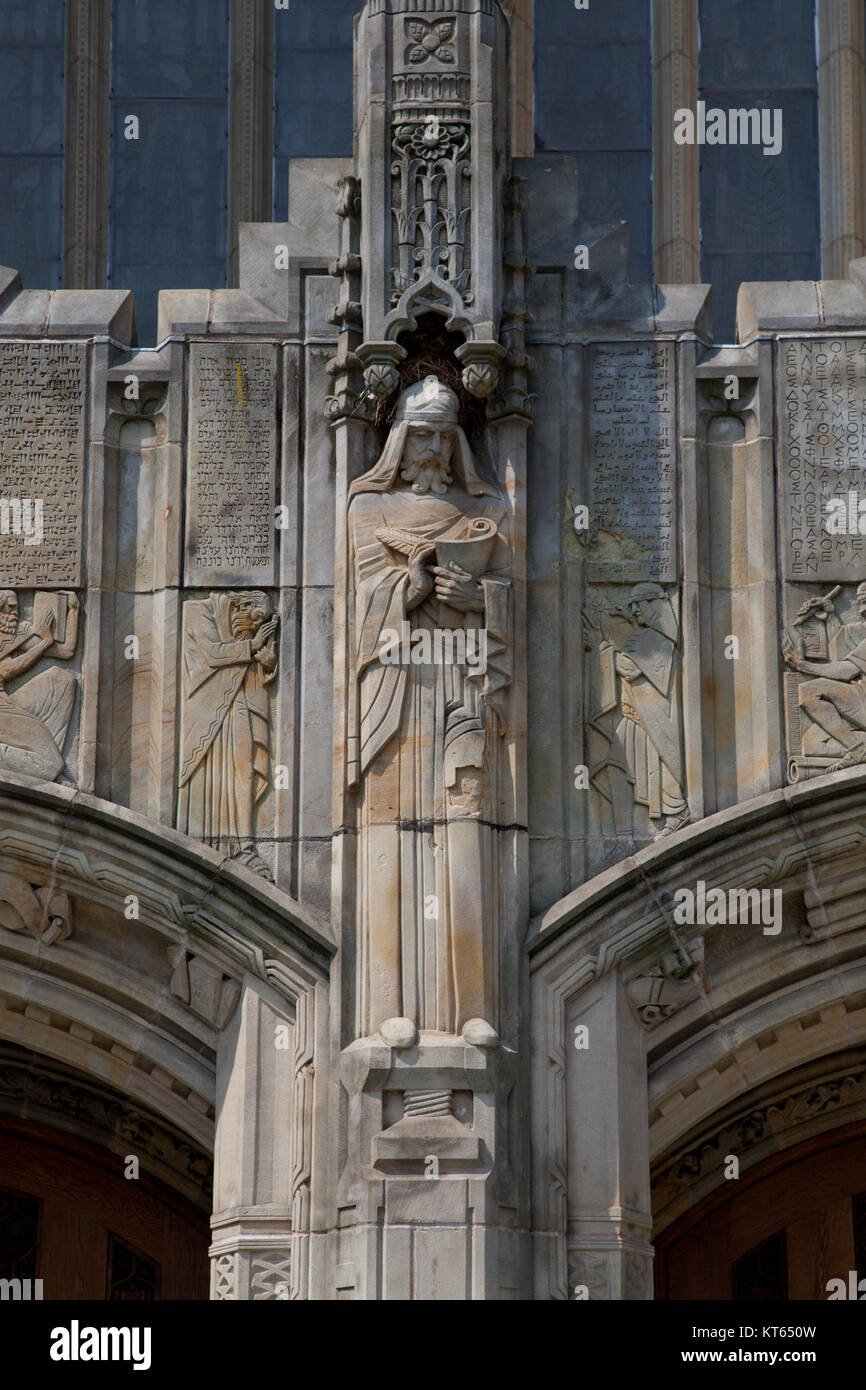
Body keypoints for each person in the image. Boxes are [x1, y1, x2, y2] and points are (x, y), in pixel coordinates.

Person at [347, 376, 510, 1035]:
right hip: (396, 688)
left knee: (464, 822)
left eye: (445, 435)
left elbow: (515, 606)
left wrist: (481, 599)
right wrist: (406, 589)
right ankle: (390, 1007)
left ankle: (469, 1009)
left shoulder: (488, 511)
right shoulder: (365, 511)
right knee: (389, 826)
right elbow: (357, 619)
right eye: (421, 435)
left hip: (462, 682)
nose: (434, 448)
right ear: (398, 441)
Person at [178, 590, 278, 877]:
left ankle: (245, 848)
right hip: (206, 707)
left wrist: (267, 662)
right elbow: (211, 652)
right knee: (206, 773)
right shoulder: (197, 610)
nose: (254, 627)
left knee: (244, 771)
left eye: (261, 625)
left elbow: (255, 665)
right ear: (242, 605)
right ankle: (198, 842)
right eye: (255, 619)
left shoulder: (246, 631)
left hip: (243, 700)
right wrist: (253, 645)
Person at [0, 590, 79, 781]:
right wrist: (44, 643)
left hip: (6, 701)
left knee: (61, 680)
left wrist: (73, 611)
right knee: (49, 758)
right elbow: (6, 670)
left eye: (17, 609)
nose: (15, 614)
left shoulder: (17, 633)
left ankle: (46, 766)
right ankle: (47, 771)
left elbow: (66, 651)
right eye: (10, 609)